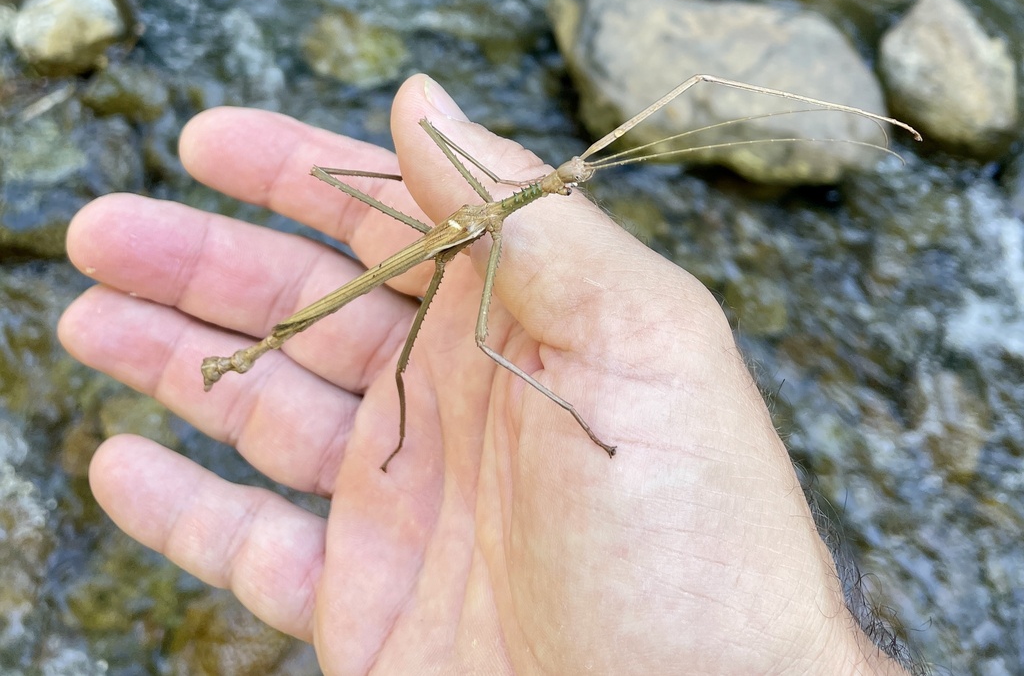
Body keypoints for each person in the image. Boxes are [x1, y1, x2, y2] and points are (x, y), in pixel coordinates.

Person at [59, 75, 914, 674]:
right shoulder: (491, 225)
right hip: (438, 242)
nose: (576, 175)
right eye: (571, 177)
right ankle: (256, 355)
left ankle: (266, 362)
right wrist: (585, 421)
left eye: (575, 178)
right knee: (449, 348)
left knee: (404, 356)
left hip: (451, 238)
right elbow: (490, 326)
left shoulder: (503, 218)